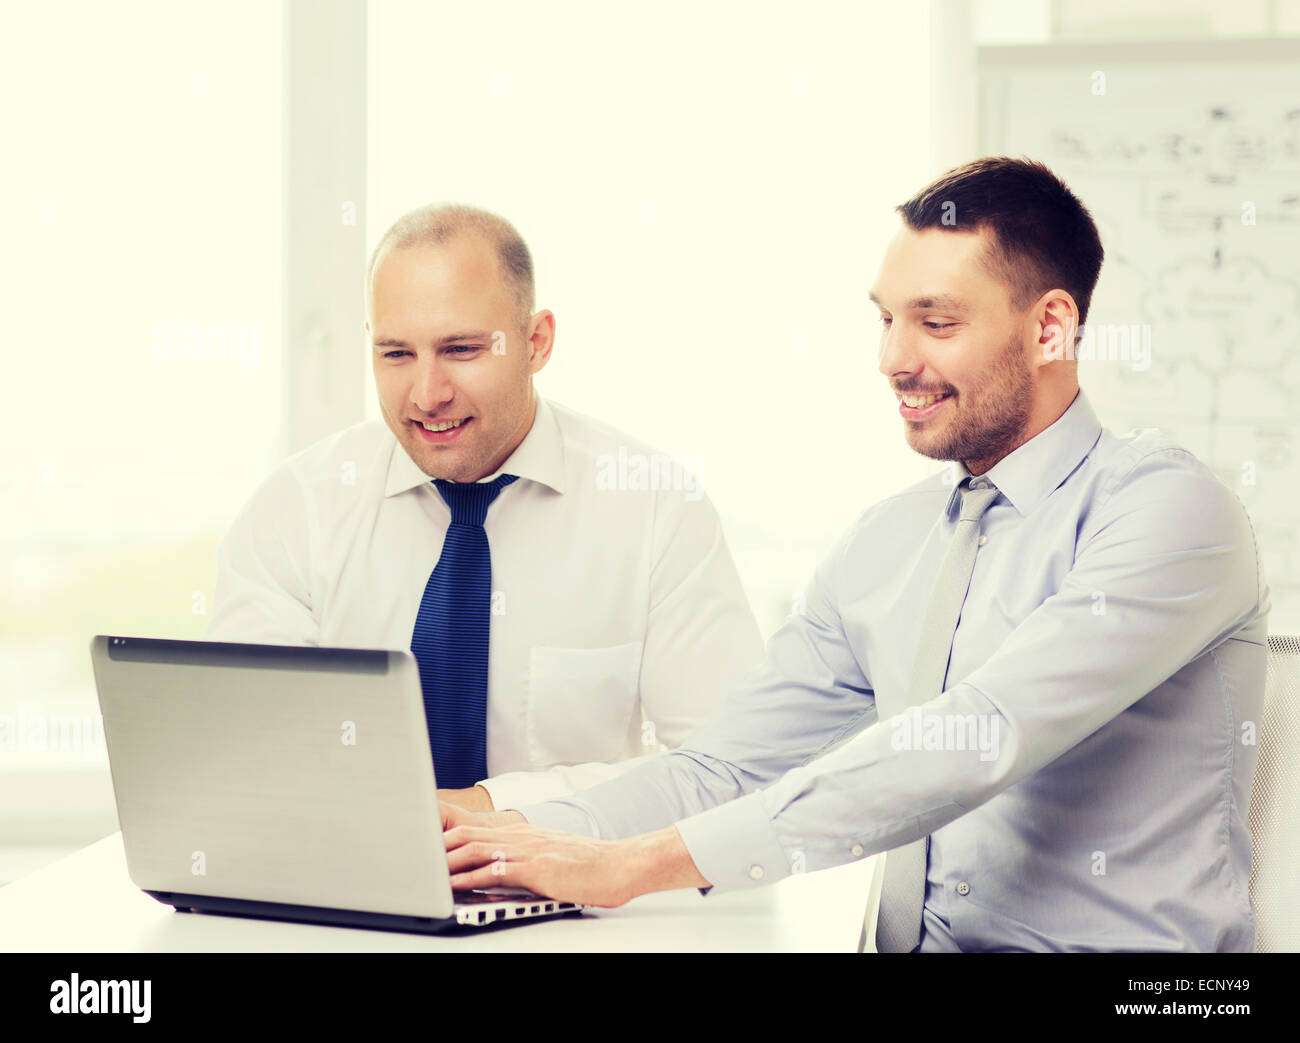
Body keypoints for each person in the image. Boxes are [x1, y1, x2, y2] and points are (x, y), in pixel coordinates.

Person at [439, 158, 1271, 953]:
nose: (894, 360)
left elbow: (981, 735)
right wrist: (508, 841)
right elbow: (725, 768)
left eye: (936, 323)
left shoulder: (1169, 513)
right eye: (886, 319)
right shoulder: (887, 542)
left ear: (1051, 326)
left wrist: (629, 867)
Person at [203, 203, 764, 813]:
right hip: (340, 892)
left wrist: (493, 809)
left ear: (536, 341)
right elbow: (245, 760)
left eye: (462, 350)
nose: (427, 394)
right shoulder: (296, 512)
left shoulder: (655, 509)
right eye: (396, 355)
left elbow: (730, 768)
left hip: (575, 897)